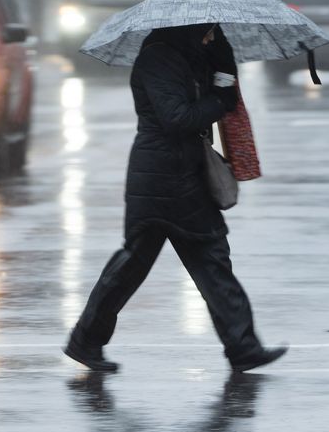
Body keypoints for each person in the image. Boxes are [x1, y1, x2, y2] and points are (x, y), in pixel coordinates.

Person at [64, 23, 287, 373]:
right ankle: (242, 346)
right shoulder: (159, 59)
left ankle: (243, 347)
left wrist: (223, 67)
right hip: (161, 177)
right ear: (189, 27)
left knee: (201, 259)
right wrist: (219, 98)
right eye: (210, 30)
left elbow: (212, 97)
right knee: (166, 261)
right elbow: (177, 117)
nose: (213, 36)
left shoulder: (191, 55)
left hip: (183, 173)